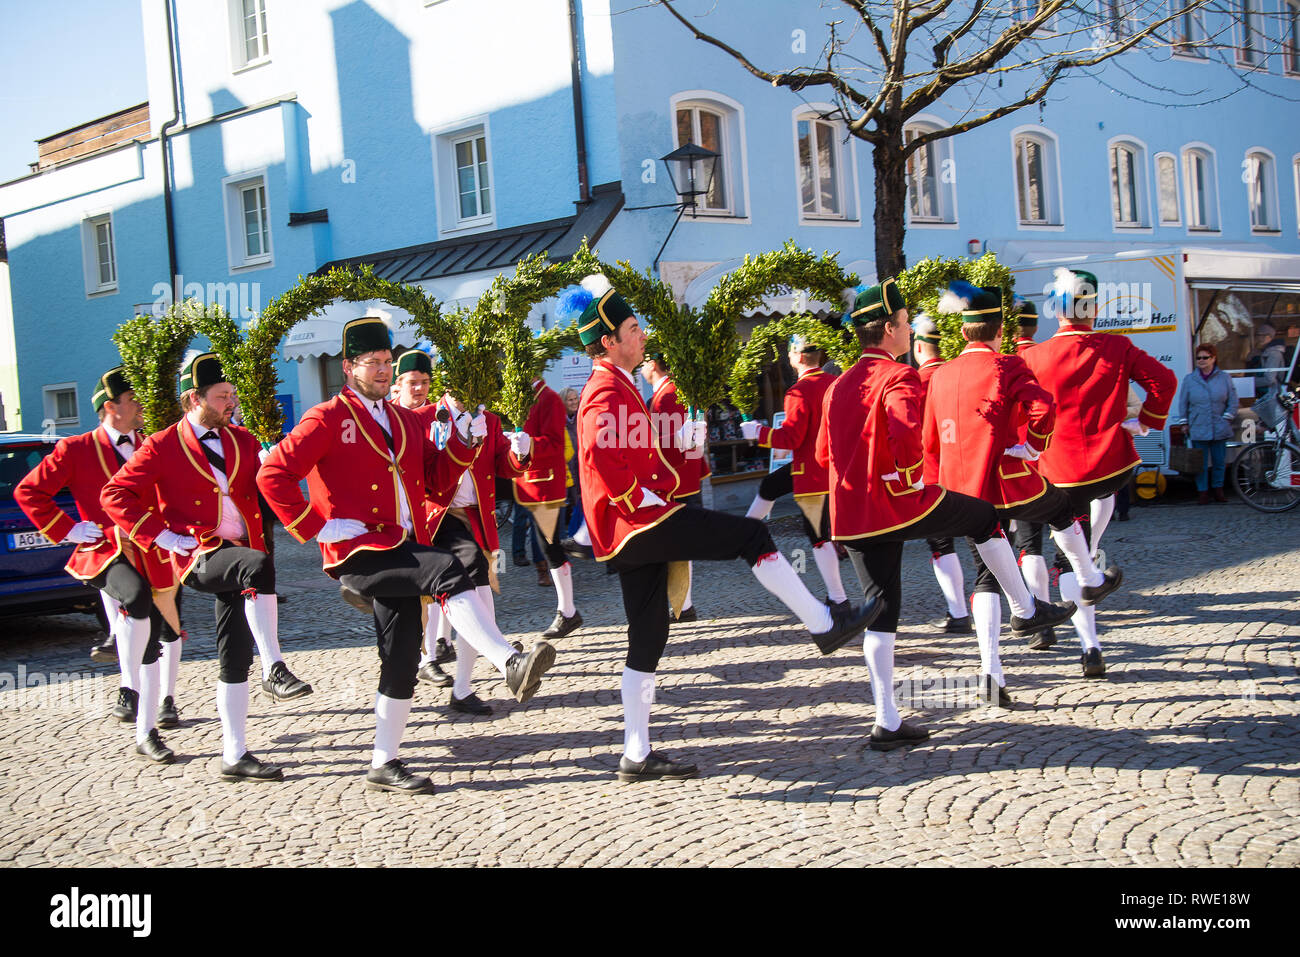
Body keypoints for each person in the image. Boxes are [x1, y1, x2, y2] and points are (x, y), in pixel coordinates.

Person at [573, 277, 878, 781]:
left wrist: (675, 448)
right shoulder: (605, 389)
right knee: (751, 537)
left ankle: (635, 752)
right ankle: (824, 624)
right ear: (609, 341)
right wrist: (642, 501)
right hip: (637, 523)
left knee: (648, 634)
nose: (643, 334)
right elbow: (602, 459)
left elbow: (632, 451)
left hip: (634, 523)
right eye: (633, 328)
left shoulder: (620, 382)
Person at [258, 318, 557, 794]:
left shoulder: (403, 419)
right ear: (349, 366)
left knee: (399, 655)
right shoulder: (327, 417)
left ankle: (384, 762)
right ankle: (509, 661)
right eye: (371, 364)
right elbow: (272, 474)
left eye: (384, 362)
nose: (380, 371)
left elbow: (437, 482)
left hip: (399, 543)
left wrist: (465, 440)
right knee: (447, 569)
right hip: (357, 549)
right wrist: (318, 526)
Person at [817, 280, 1075, 746]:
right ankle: (1024, 607)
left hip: (851, 516)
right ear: (892, 328)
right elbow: (904, 434)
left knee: (882, 610)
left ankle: (886, 720)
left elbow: (821, 456)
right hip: (896, 503)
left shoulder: (837, 387)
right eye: (905, 322)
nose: (909, 329)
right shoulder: (898, 377)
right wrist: (910, 475)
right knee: (981, 517)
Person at [101, 354, 311, 781]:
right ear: (194, 398)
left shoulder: (242, 439)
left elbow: (267, 486)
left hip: (239, 555)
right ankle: (274, 666)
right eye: (222, 396)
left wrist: (277, 460)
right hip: (198, 555)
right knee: (257, 565)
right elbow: (115, 493)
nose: (231, 403)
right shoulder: (161, 444)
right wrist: (163, 538)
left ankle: (234, 755)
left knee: (233, 655)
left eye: (233, 395)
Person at [924, 283, 1122, 704]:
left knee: (984, 578)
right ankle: (1088, 577)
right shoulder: (1007, 365)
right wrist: (1032, 445)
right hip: (1009, 481)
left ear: (962, 334)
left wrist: (937, 487)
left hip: (960, 492)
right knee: (1064, 510)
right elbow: (1043, 407)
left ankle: (991, 674)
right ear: (1000, 331)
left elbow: (928, 441)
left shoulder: (940, 374)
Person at [15, 366, 180, 762]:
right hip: (105, 548)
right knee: (136, 601)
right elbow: (30, 490)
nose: (140, 406)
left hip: (153, 549)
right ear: (110, 407)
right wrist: (68, 529)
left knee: (162, 629)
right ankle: (131, 688)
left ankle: (147, 726)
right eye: (132, 400)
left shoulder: (151, 444)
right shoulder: (76, 449)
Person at [1024, 268, 1177, 677]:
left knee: (1071, 560)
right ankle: (1090, 639)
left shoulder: (1033, 357)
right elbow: (1164, 379)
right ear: (1092, 308)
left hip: (1059, 475)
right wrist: (1145, 421)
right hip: (1111, 468)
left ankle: (1090, 644)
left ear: (1056, 311)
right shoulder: (1117, 346)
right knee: (1083, 553)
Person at [421, 383, 532, 714]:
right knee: (469, 594)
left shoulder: (490, 420)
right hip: (436, 519)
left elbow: (505, 466)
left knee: (482, 605)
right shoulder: (424, 418)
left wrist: (521, 453)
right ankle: (502, 663)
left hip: (476, 518)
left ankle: (464, 688)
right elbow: (427, 476)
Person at [737, 335, 846, 613]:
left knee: (819, 539)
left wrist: (759, 433)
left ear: (797, 357)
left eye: (790, 353)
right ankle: (745, 532)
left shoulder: (798, 392)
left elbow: (792, 438)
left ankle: (839, 599)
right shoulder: (835, 384)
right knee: (771, 485)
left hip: (811, 471)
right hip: (833, 468)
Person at [910, 313, 971, 635]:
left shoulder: (914, 382)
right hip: (970, 470)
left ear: (919, 347)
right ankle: (1023, 606)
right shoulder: (960, 375)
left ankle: (959, 613)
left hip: (932, 475)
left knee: (941, 545)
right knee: (986, 540)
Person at [642, 351, 712, 621]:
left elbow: (670, 444)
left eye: (644, 364)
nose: (641, 370)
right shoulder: (674, 390)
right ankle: (683, 604)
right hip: (684, 476)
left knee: (676, 544)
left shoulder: (667, 394)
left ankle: (683, 605)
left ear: (653, 364)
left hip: (676, 480)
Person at [514, 376, 583, 639]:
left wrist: (528, 443)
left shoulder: (550, 398)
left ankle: (568, 611)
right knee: (548, 547)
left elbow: (556, 444)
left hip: (546, 485)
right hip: (530, 484)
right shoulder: (523, 396)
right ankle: (567, 611)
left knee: (550, 547)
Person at [1176, 343, 1236, 504]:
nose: (1201, 360)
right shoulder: (1190, 379)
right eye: (1199, 358)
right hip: (1198, 426)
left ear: (1213, 358)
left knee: (1219, 462)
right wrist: (1184, 423)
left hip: (1219, 426)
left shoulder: (1224, 378)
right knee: (1200, 464)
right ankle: (1202, 492)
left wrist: (1227, 417)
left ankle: (1218, 490)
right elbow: (1183, 403)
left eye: (1205, 357)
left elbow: (1233, 400)